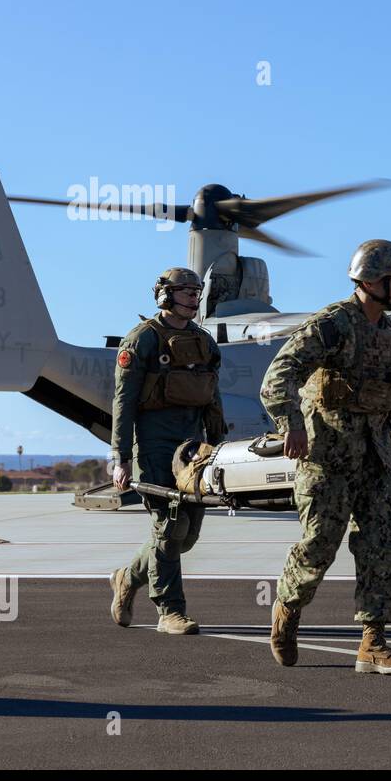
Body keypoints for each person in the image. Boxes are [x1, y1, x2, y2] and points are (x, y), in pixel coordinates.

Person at [262, 239, 391, 675]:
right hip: (328, 459)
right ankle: (287, 609)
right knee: (319, 546)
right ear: (372, 282)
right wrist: (292, 425)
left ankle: (373, 642)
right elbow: (278, 377)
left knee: (383, 547)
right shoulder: (332, 326)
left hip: (376, 461)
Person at [109, 267, 226, 635]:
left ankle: (127, 577)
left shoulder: (205, 342)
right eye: (185, 291)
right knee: (170, 526)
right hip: (154, 444)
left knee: (186, 535)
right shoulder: (142, 340)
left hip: (193, 447)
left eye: (196, 291)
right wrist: (121, 457)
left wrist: (220, 448)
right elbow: (123, 401)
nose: (194, 297)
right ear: (165, 295)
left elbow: (212, 397)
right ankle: (169, 611)